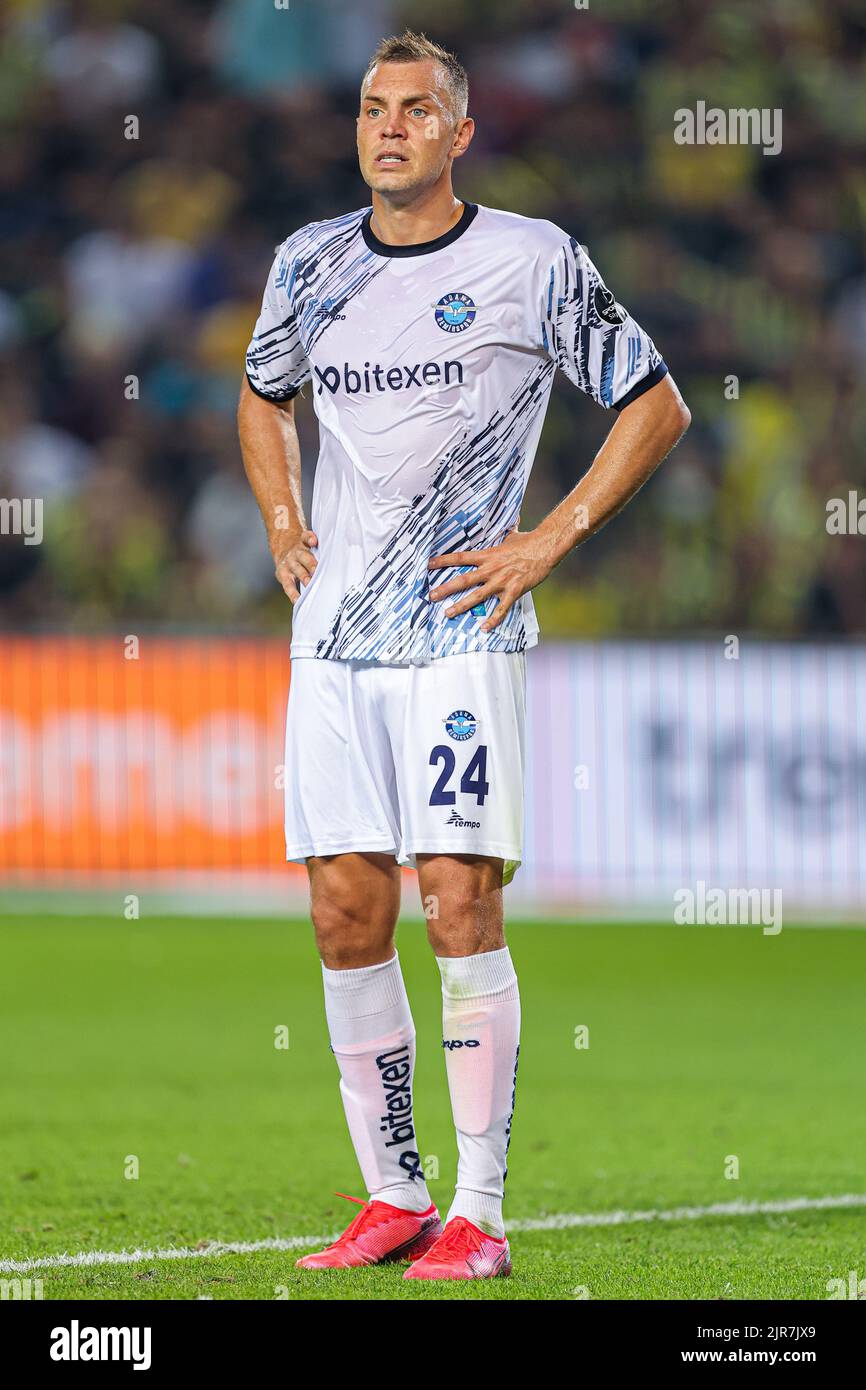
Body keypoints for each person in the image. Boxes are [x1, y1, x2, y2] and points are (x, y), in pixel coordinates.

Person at [238, 28, 690, 1281]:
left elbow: (653, 400)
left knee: (454, 894)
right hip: (332, 633)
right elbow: (263, 395)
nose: (389, 127)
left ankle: (479, 1214)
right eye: (373, 107)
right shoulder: (308, 262)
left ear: (459, 131)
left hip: (458, 625)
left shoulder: (529, 260)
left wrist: (550, 535)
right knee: (342, 910)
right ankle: (393, 1194)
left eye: (416, 109)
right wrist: (282, 516)